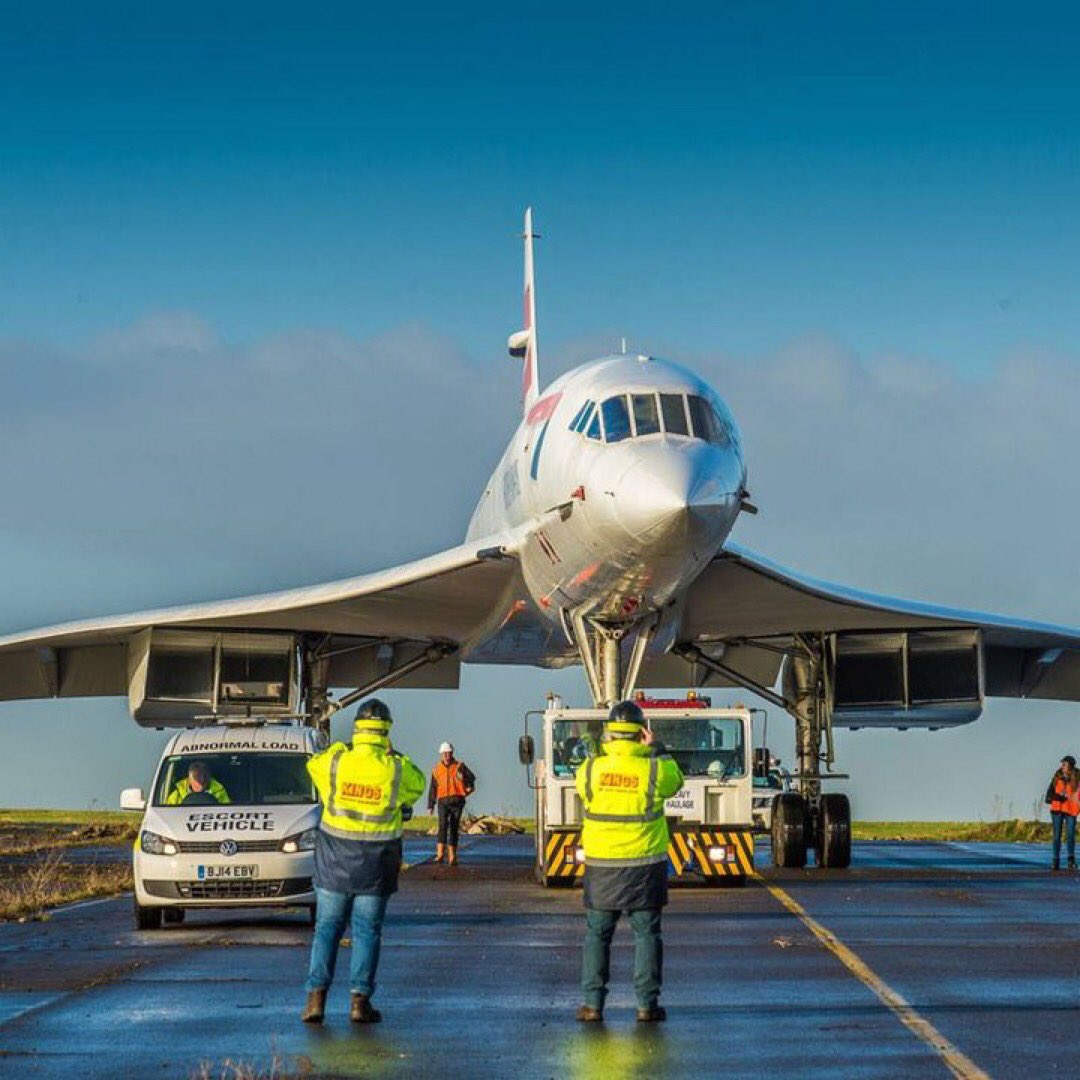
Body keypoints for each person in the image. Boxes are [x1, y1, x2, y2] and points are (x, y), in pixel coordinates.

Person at [301, 698, 425, 1024]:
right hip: (375, 865)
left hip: (334, 863)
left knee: (326, 929)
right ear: (386, 730)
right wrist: (395, 754)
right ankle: (359, 1002)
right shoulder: (394, 768)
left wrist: (341, 748)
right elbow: (418, 784)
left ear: (357, 728)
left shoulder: (336, 762)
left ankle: (315, 1000)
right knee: (367, 932)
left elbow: (313, 765)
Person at [574, 699, 683, 1023]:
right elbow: (675, 781)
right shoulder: (654, 768)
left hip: (602, 864)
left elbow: (583, 791)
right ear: (641, 733)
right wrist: (657, 750)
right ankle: (647, 1006)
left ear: (609, 732)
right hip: (644, 864)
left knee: (597, 934)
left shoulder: (591, 769)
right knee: (647, 934)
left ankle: (592, 1005)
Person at [427, 741, 475, 865]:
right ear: (441, 754)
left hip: (457, 800)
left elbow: (471, 778)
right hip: (442, 801)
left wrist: (469, 788)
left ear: (452, 753)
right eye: (445, 754)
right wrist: (430, 805)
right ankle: (440, 854)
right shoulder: (436, 769)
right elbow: (433, 788)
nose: (447, 756)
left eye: (449, 753)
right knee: (442, 825)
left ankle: (452, 856)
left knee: (454, 826)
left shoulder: (460, 766)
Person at [1044, 755, 1080, 870]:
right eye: (1062, 764)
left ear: (1071, 766)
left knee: (1070, 835)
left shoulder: (1077, 779)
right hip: (1057, 809)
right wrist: (1057, 797)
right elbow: (1049, 795)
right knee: (1056, 836)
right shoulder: (1057, 777)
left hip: (1071, 810)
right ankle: (1055, 862)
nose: (1062, 766)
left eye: (1065, 764)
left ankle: (1071, 861)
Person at [166, 761, 230, 805]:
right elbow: (167, 813)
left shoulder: (219, 791)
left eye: (204, 777)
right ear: (190, 780)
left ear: (209, 777)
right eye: (197, 778)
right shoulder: (177, 794)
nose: (201, 786)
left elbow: (227, 810)